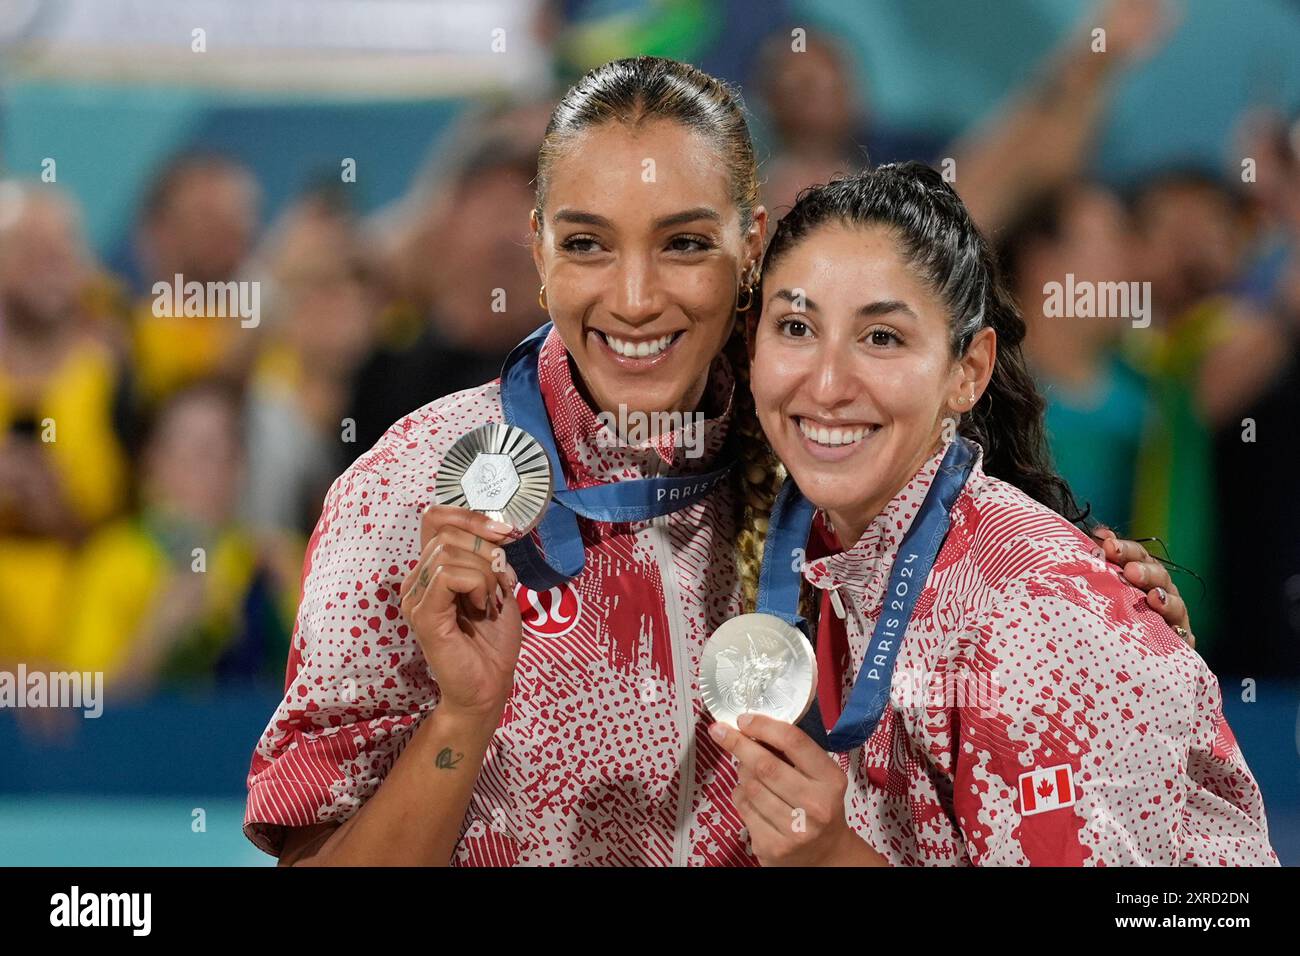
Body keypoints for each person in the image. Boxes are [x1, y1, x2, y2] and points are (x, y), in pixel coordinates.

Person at [244, 57, 1194, 867]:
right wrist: (462, 716)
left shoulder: (834, 454)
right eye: (586, 244)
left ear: (752, 243)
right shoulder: (407, 492)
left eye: (686, 244)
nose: (634, 298)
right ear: (538, 249)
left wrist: (1102, 624)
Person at [709, 163, 1276, 865]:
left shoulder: (1036, 614)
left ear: (968, 372)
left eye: (882, 337)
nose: (825, 384)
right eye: (796, 327)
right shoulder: (822, 545)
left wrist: (831, 858)